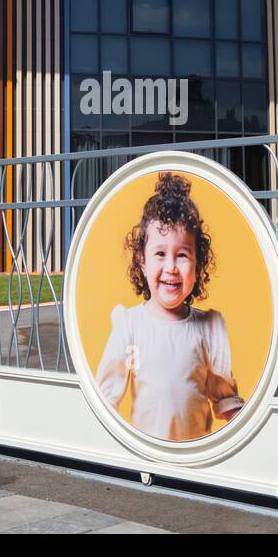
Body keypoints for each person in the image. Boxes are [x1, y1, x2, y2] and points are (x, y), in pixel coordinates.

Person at [95, 172, 243, 441]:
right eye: (160, 254)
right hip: (145, 457)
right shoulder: (129, 326)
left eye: (183, 255)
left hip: (195, 460)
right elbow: (105, 400)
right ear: (142, 260)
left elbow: (228, 402)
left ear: (198, 265)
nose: (171, 267)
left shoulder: (208, 328)